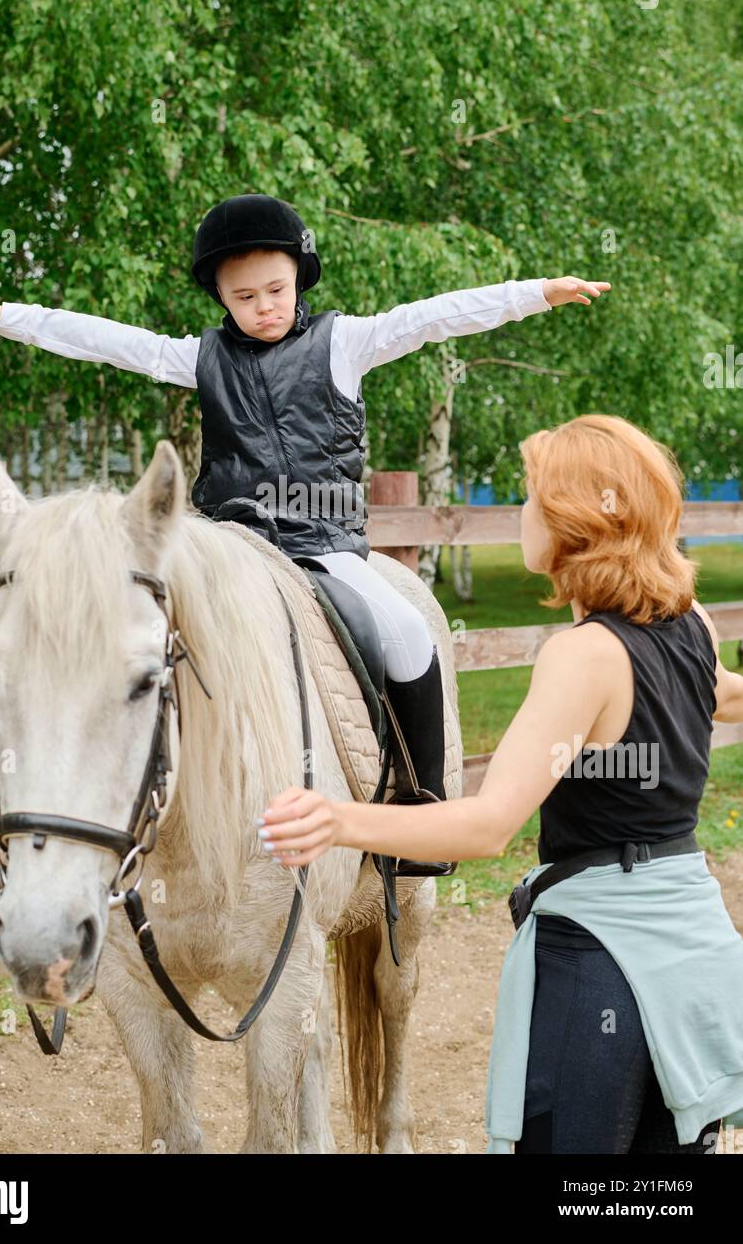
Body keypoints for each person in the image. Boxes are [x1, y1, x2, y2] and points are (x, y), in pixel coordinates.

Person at [0, 191, 609, 877]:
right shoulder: (197, 357)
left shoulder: (346, 344)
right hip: (230, 546)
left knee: (409, 635)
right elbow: (109, 342)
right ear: (221, 300)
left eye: (276, 289)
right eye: (244, 297)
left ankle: (420, 809)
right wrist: (14, 320)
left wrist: (540, 293)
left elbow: (437, 317)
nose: (264, 306)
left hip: (324, 546)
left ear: (299, 279)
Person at [256, 412, 743, 1154]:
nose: (521, 513)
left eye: (532, 496)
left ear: (576, 518)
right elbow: (720, 693)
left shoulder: (583, 658)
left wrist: (337, 819)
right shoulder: (691, 624)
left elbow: (487, 826)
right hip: (694, 952)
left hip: (604, 961)